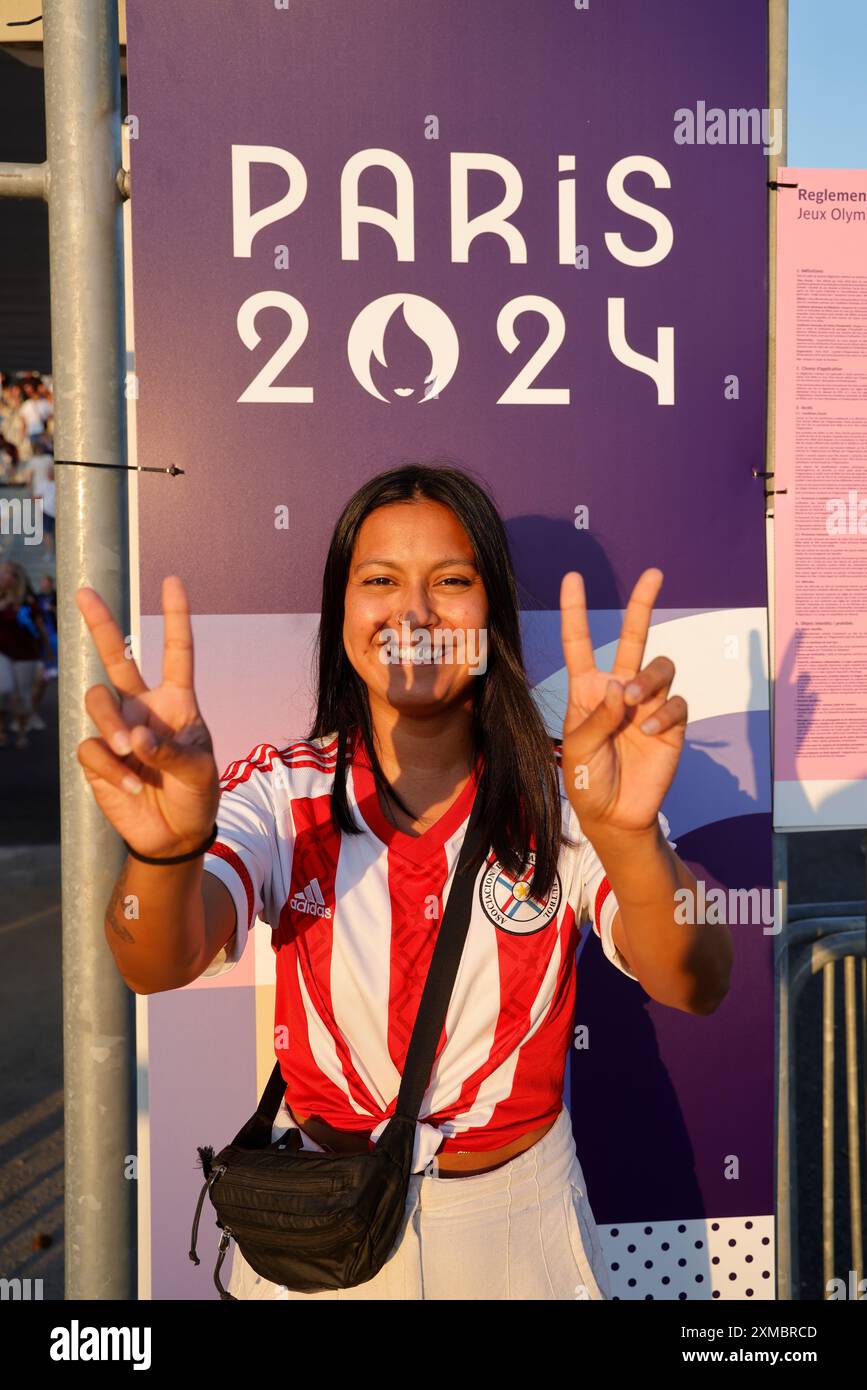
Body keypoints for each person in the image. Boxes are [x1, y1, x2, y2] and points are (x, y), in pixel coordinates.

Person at [75, 463, 732, 1301]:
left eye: (450, 582)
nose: (413, 613)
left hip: (516, 1229)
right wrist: (165, 855)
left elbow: (696, 979)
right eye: (379, 580)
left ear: (488, 612)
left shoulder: (575, 791)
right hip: (320, 1232)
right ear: (340, 611)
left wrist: (631, 835)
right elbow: (152, 962)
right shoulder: (284, 792)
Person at [0, 560, 52, 749]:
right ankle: (2, 730)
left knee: (22, 695)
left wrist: (48, 655)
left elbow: (41, 629)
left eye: (5, 573)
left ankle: (22, 731)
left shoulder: (28, 602)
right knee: (2, 690)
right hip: (3, 654)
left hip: (25, 656)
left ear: (16, 578)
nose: (1, 577)